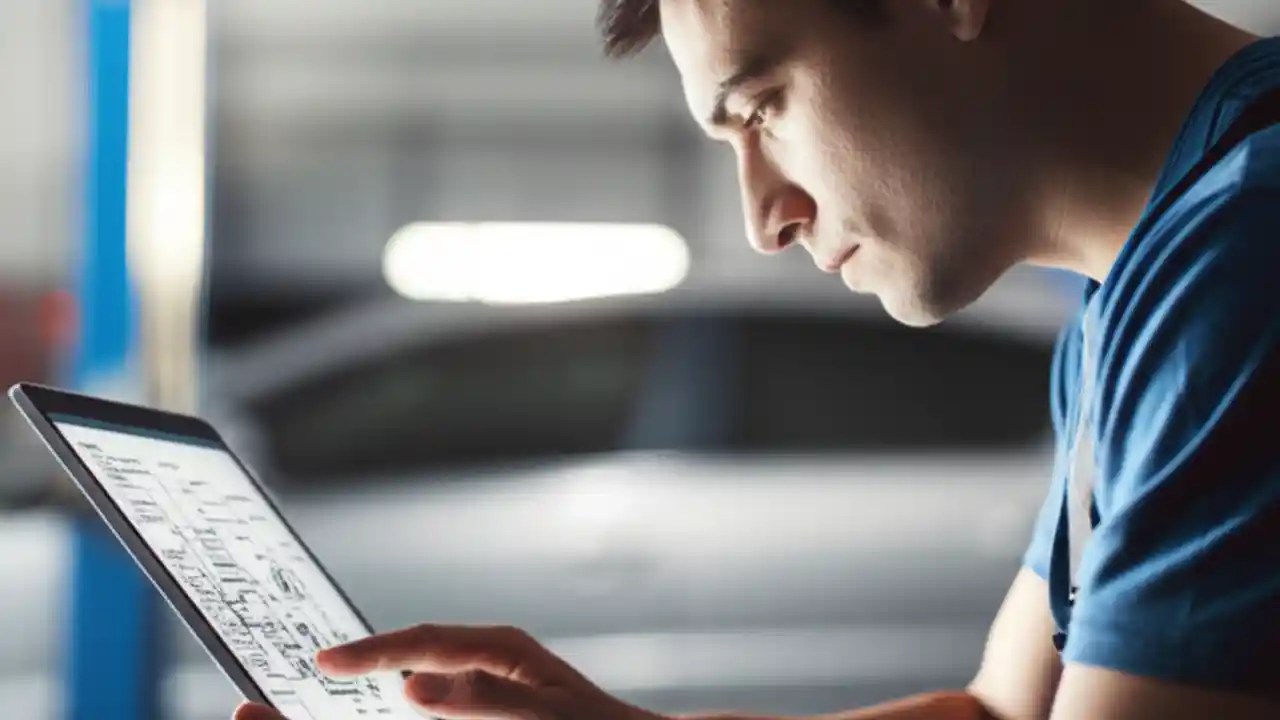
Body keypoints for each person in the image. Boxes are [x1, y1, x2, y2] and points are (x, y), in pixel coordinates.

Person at [236, 0, 1280, 718]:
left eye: (761, 108)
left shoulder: (1243, 258)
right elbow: (1001, 709)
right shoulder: (1137, 296)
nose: (762, 218)